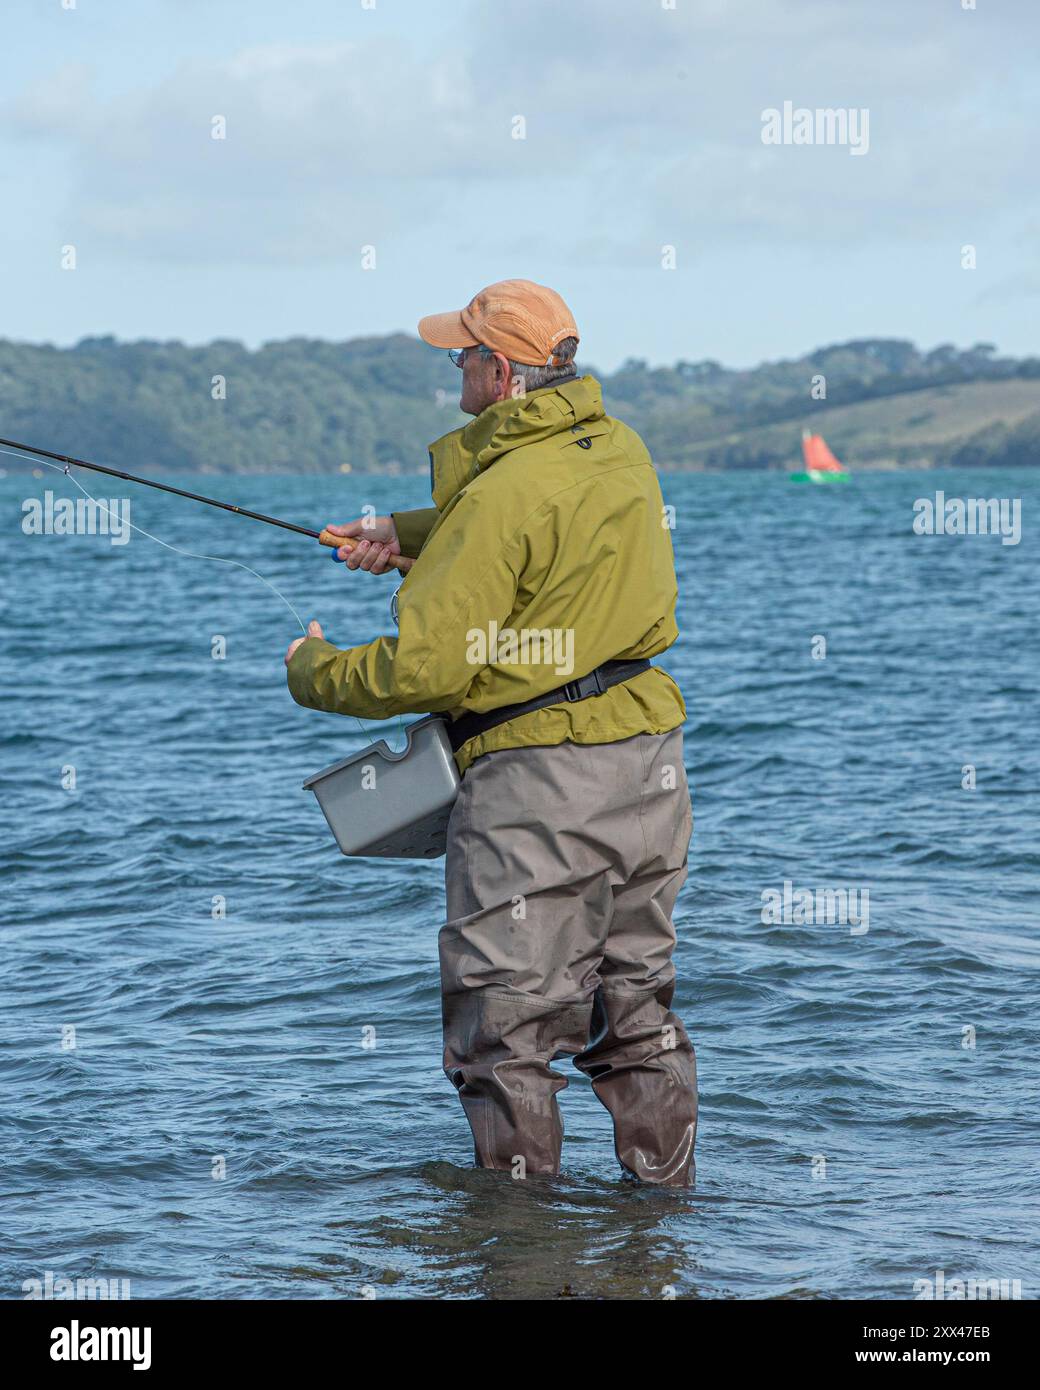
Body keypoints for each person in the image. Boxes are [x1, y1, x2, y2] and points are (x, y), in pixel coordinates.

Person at [285, 279, 698, 1184]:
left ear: (502, 373)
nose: (456, 370)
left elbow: (423, 671)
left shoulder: (499, 496)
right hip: (650, 768)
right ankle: (666, 1236)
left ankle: (519, 1254)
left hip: (540, 790)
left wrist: (312, 672)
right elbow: (529, 523)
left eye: (462, 356)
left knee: (503, 1033)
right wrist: (402, 533)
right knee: (637, 1017)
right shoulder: (617, 449)